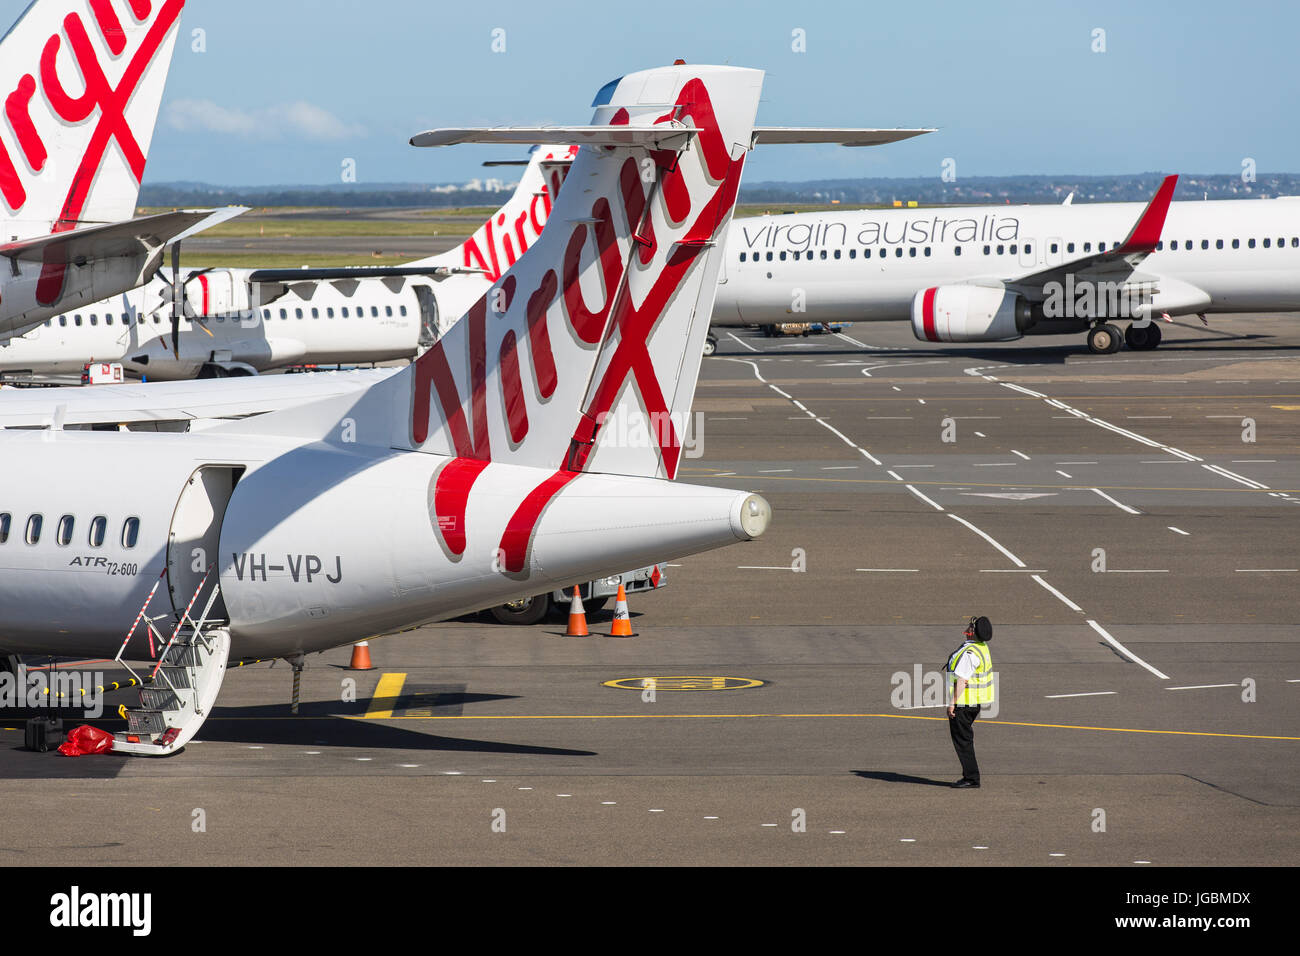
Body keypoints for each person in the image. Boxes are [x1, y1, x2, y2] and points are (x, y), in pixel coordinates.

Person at [946, 615, 994, 789]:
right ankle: (971, 776)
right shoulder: (981, 647)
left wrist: (952, 703)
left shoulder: (970, 653)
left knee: (963, 740)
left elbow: (962, 680)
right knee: (964, 738)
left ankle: (971, 778)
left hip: (964, 703)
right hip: (974, 702)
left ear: (974, 632)